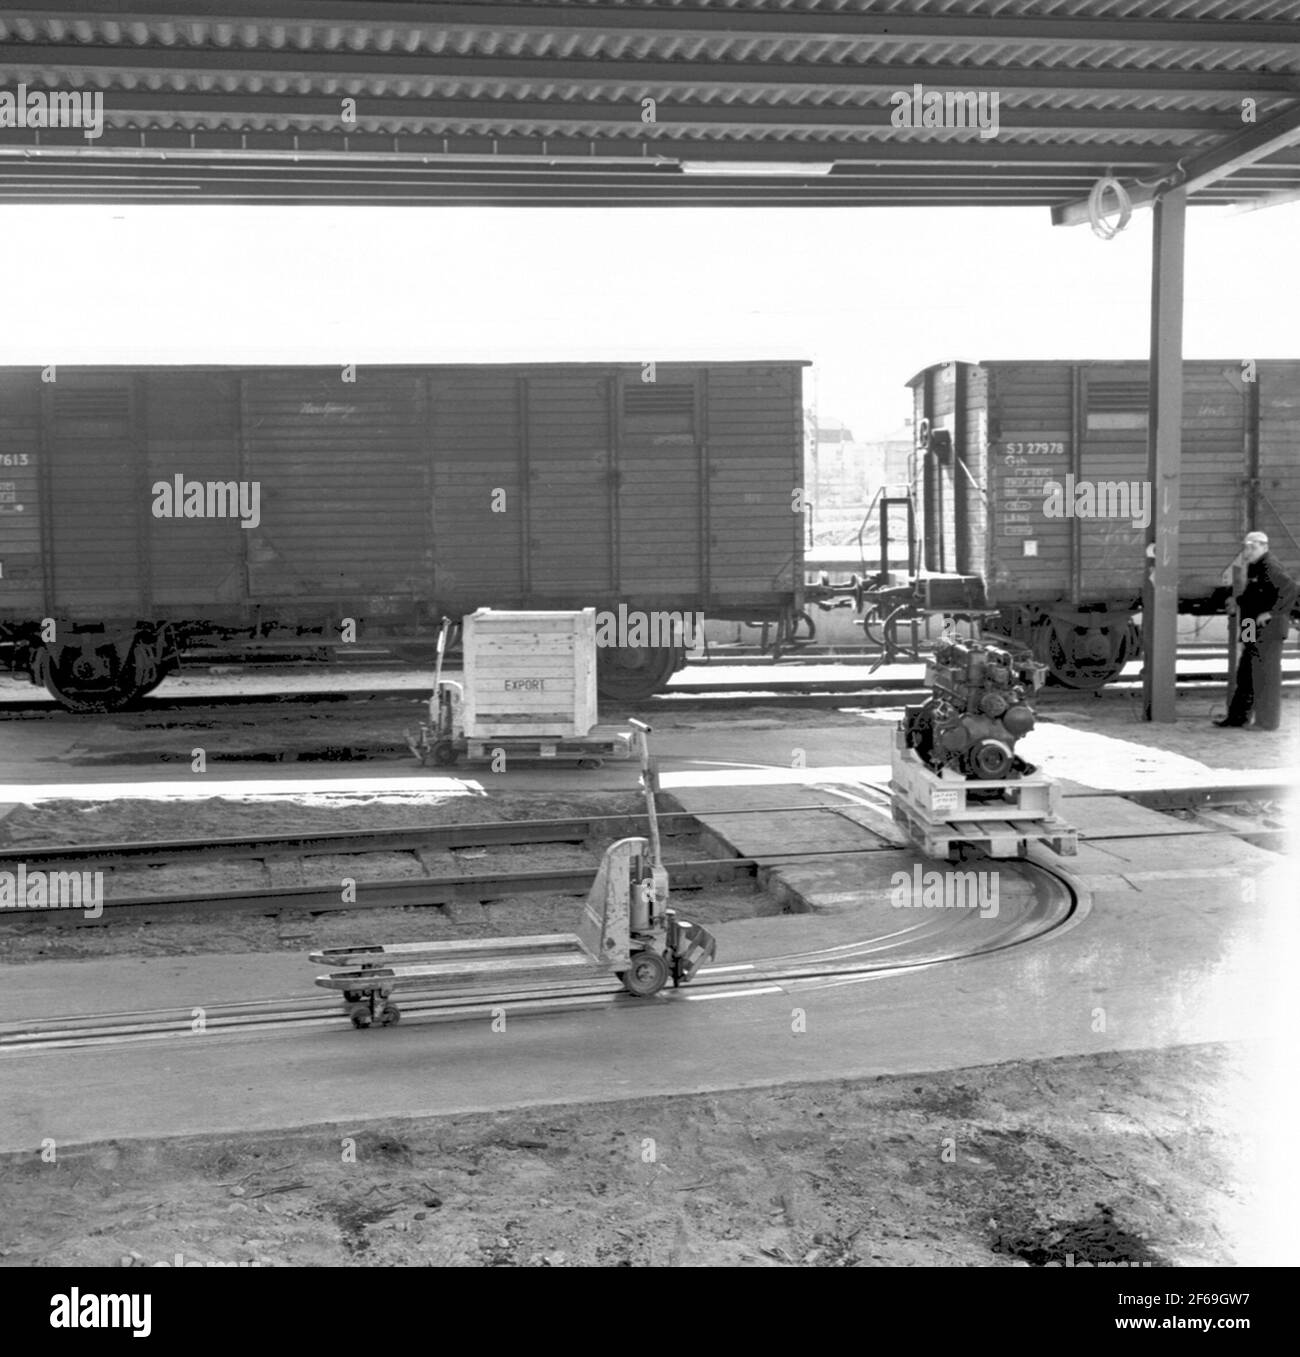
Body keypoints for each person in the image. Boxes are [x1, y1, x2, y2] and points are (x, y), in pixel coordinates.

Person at [1213, 531, 1296, 731]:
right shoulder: (1255, 567)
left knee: (1265, 675)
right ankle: (1237, 718)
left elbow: (1291, 588)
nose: (1249, 551)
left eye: (1254, 547)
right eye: (1247, 547)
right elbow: (1254, 595)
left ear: (1264, 547)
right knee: (1246, 671)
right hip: (1251, 626)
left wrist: (1272, 613)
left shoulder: (1270, 566)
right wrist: (1237, 601)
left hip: (1267, 630)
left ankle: (1267, 723)